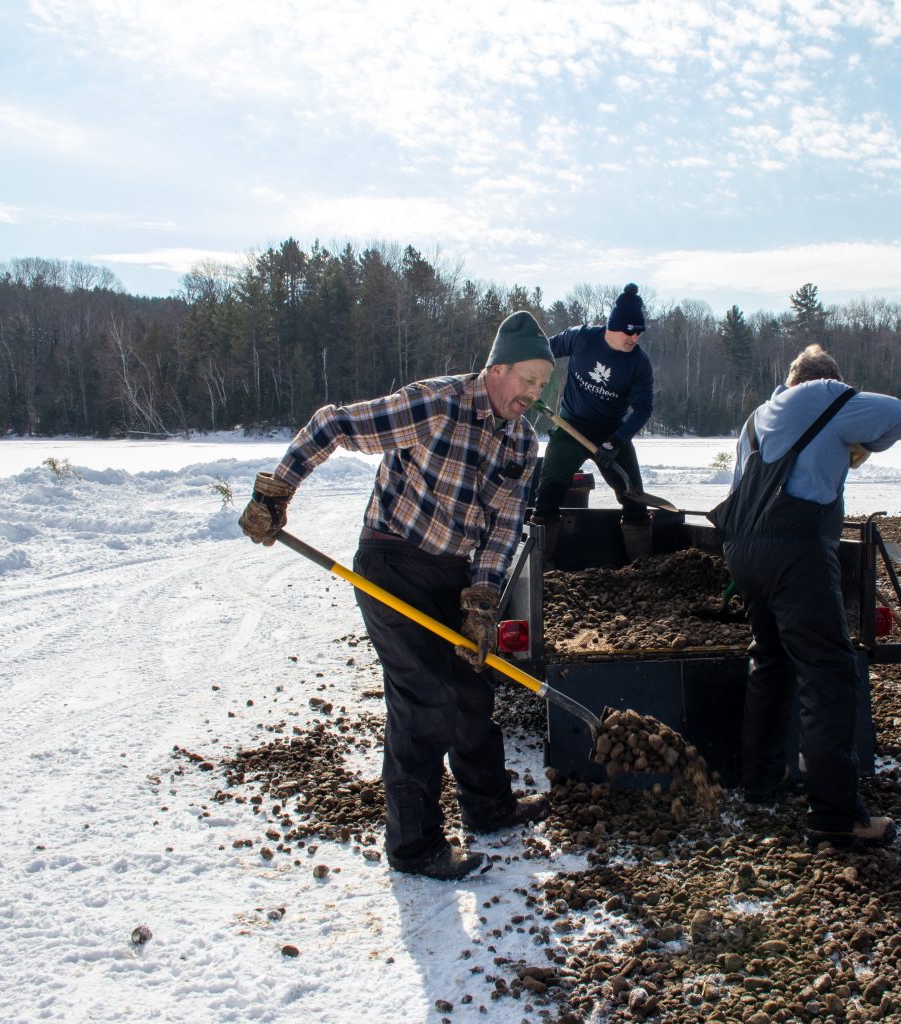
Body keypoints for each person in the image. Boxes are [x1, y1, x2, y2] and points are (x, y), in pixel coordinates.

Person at [237, 311, 556, 880]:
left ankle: (489, 807)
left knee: (471, 691)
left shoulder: (523, 442)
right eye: (527, 380)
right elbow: (332, 425)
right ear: (497, 369)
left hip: (455, 574)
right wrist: (277, 489)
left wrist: (482, 603)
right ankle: (414, 847)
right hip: (393, 563)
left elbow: (505, 528)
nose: (533, 394)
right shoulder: (436, 405)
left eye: (541, 385)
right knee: (424, 699)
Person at [714, 343, 901, 850]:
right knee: (829, 676)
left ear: (789, 378)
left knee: (772, 662)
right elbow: (899, 415)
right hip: (796, 553)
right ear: (828, 380)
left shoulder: (758, 416)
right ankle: (835, 817)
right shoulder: (828, 395)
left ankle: (759, 785)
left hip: (743, 551)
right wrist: (867, 444)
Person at [530, 282, 655, 563]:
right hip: (570, 428)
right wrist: (530, 380)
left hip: (613, 433)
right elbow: (542, 351)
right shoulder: (582, 338)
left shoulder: (639, 363)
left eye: (639, 332)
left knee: (634, 499)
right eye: (630, 331)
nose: (635, 337)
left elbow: (643, 409)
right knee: (546, 498)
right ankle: (541, 571)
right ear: (614, 326)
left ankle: (642, 570)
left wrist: (616, 441)